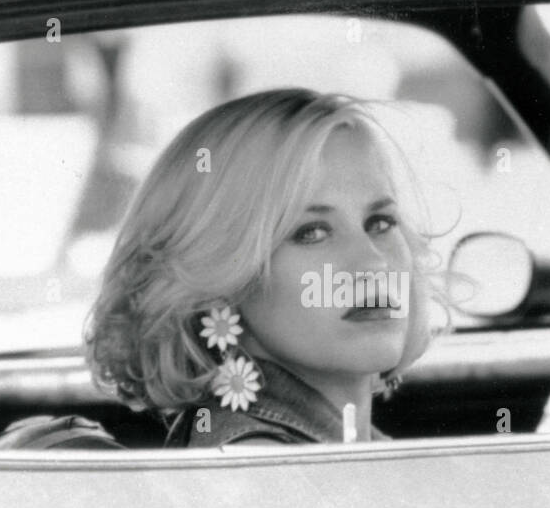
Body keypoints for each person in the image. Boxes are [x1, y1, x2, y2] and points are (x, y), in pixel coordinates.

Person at [85, 88, 446, 446]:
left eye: (381, 223)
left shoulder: (328, 454)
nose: (373, 262)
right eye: (311, 233)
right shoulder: (260, 467)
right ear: (223, 281)